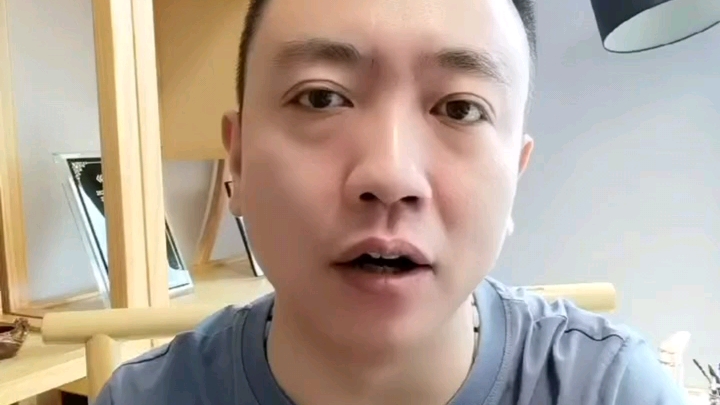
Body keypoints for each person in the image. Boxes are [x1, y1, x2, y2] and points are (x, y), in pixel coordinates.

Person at [95, 0, 689, 403]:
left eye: (460, 108)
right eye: (321, 98)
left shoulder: (613, 391)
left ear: (516, 173)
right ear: (240, 160)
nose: (389, 174)